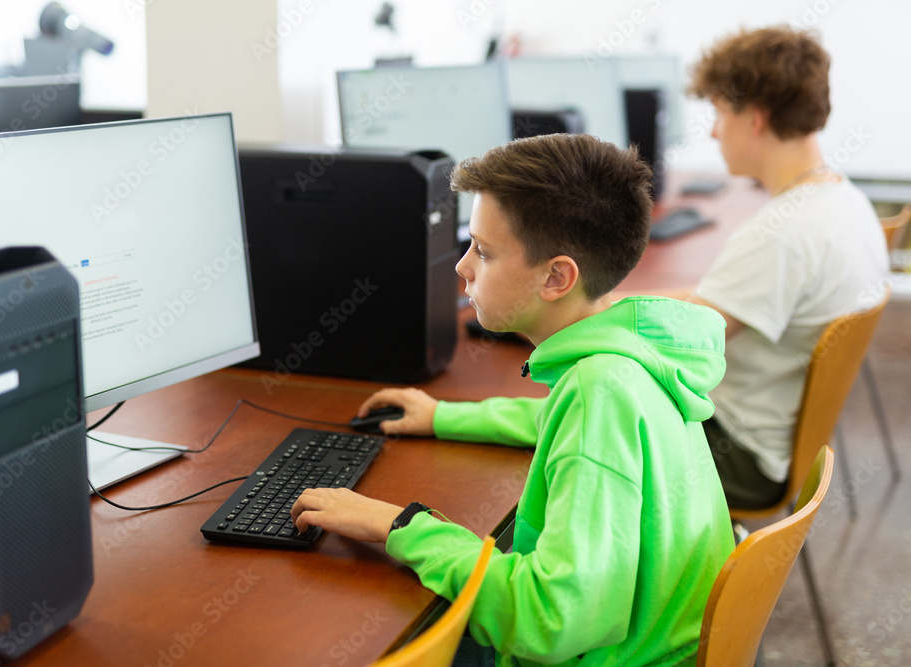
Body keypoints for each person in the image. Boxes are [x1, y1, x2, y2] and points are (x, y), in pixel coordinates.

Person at [290, 133, 734, 666]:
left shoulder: (599, 396)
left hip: (596, 652)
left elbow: (551, 621)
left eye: (483, 250)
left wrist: (399, 527)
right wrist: (443, 416)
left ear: (556, 276)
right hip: (653, 646)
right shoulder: (630, 360)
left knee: (361, 638)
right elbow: (555, 420)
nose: (462, 268)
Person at [650, 26, 889, 508]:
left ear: (754, 118)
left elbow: (686, 332)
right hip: (785, 441)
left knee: (582, 421)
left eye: (718, 113)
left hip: (742, 453)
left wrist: (593, 303)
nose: (715, 131)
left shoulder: (783, 232)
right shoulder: (847, 201)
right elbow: (711, 304)